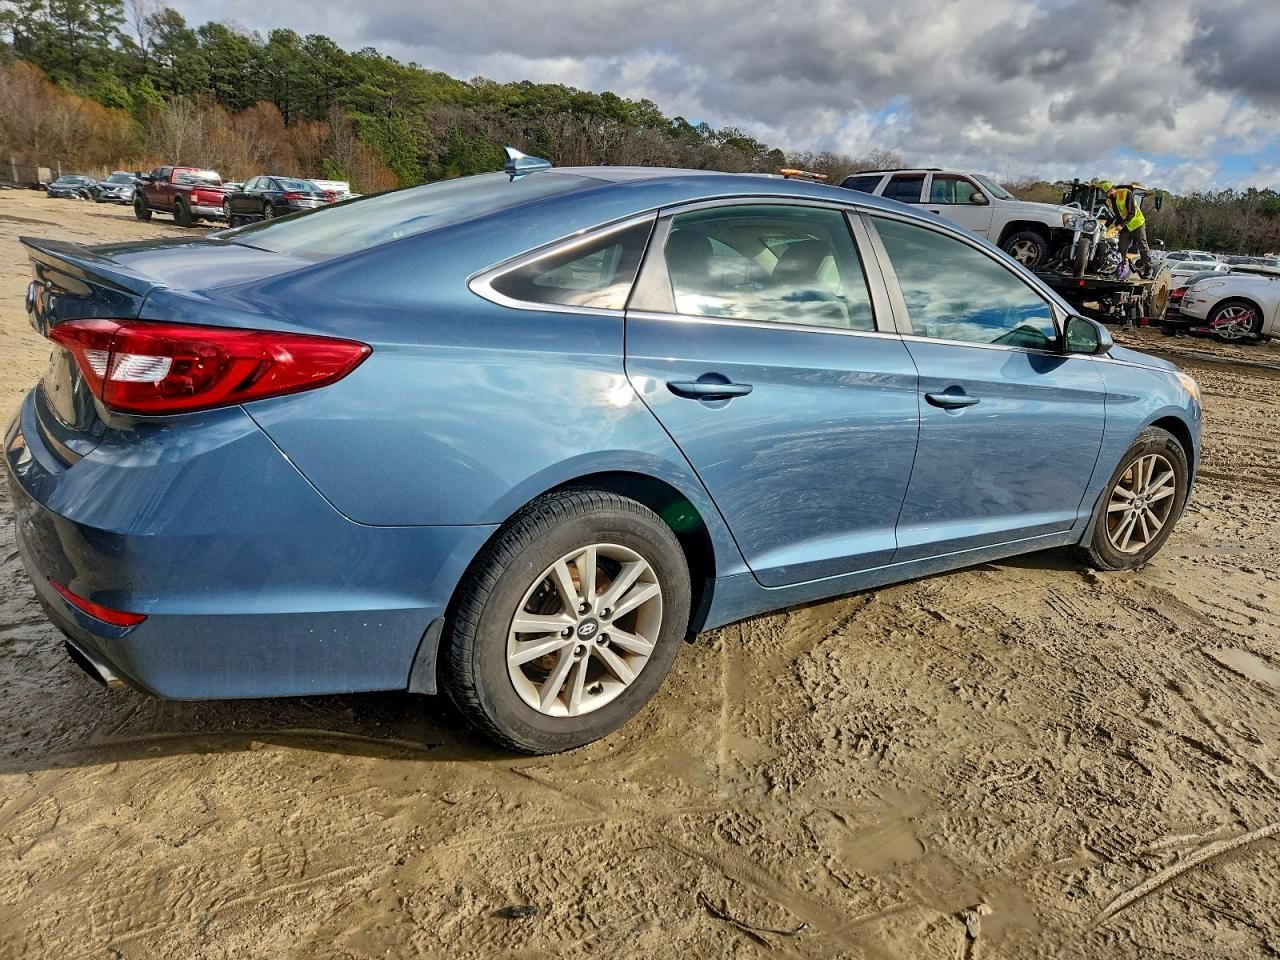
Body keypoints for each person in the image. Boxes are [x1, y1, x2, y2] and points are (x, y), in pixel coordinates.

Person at [1100, 180, 1152, 277]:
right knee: (1121, 248)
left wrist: (1121, 225)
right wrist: (1105, 227)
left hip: (1137, 223)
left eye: (1107, 193)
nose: (1107, 196)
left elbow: (1131, 212)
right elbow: (1117, 216)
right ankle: (1121, 269)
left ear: (1111, 190)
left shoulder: (1126, 193)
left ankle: (1148, 269)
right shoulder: (1112, 200)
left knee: (1142, 246)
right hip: (1126, 226)